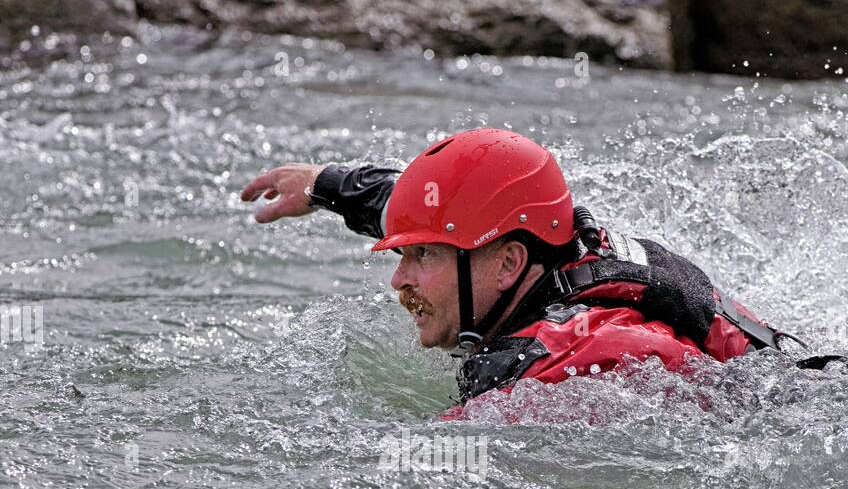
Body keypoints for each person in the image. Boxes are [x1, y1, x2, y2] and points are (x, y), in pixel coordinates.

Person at [241, 127, 814, 410]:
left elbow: (654, 363)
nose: (400, 280)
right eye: (402, 255)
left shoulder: (580, 356)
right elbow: (440, 205)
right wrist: (325, 187)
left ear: (510, 262)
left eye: (425, 257)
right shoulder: (548, 237)